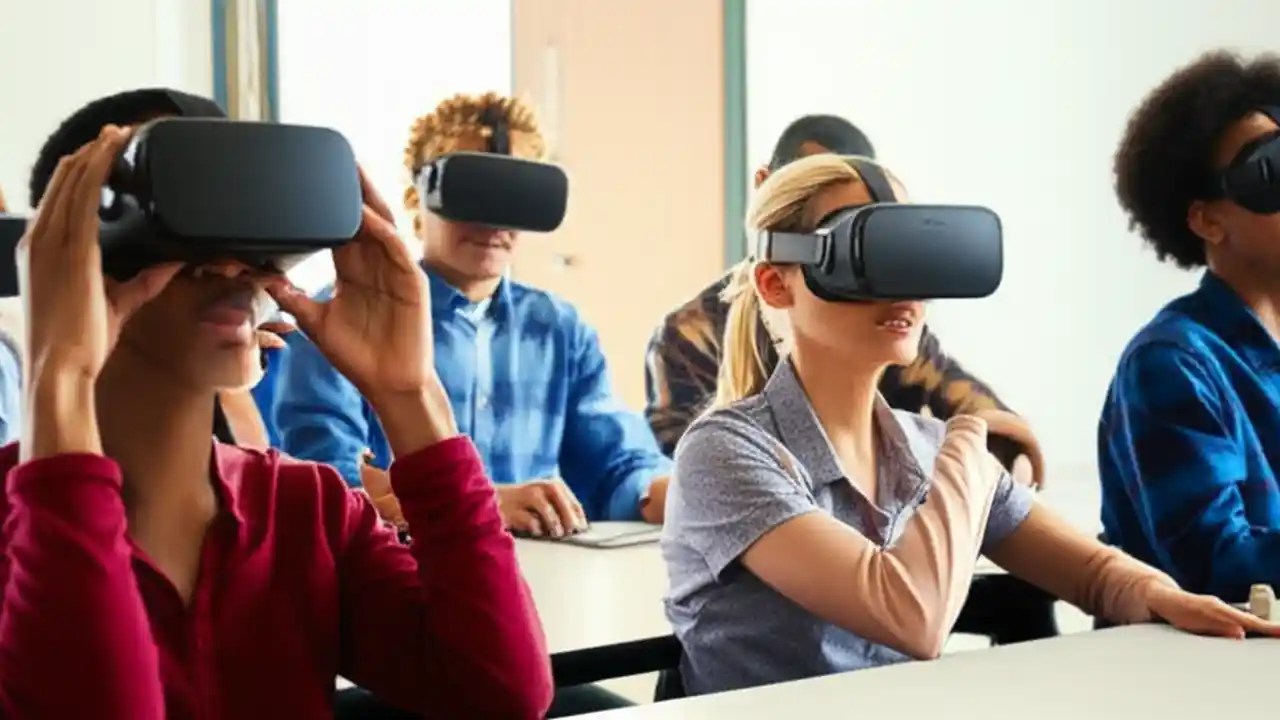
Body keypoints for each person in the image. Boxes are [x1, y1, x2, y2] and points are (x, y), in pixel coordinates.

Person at [1, 88, 553, 719]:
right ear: (72, 254)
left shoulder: (305, 512)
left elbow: (502, 695)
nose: (234, 262)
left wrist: (410, 393)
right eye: (184, 222)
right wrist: (59, 373)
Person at [661, 153, 1278, 697]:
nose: (903, 290)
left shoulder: (925, 447)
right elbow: (910, 614)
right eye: (873, 257)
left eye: (916, 256)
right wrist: (967, 441)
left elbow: (1094, 573)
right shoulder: (725, 453)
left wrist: (1167, 597)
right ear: (776, 283)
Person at [274, 93, 672, 536]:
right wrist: (471, 505)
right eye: (473, 194)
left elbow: (618, 464)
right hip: (396, 574)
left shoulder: (560, 331)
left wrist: (668, 494)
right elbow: (328, 481)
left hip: (542, 576)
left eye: (515, 197)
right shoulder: (339, 322)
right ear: (415, 197)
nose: (492, 222)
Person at [645, 114, 1042, 482]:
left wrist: (988, 464)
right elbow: (692, 480)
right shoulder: (692, 334)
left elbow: (992, 426)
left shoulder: (890, 322)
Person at [1100, 51, 1280, 601]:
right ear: (1205, 218)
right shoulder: (1173, 363)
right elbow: (1218, 564)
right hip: (1203, 676)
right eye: (1272, 169)